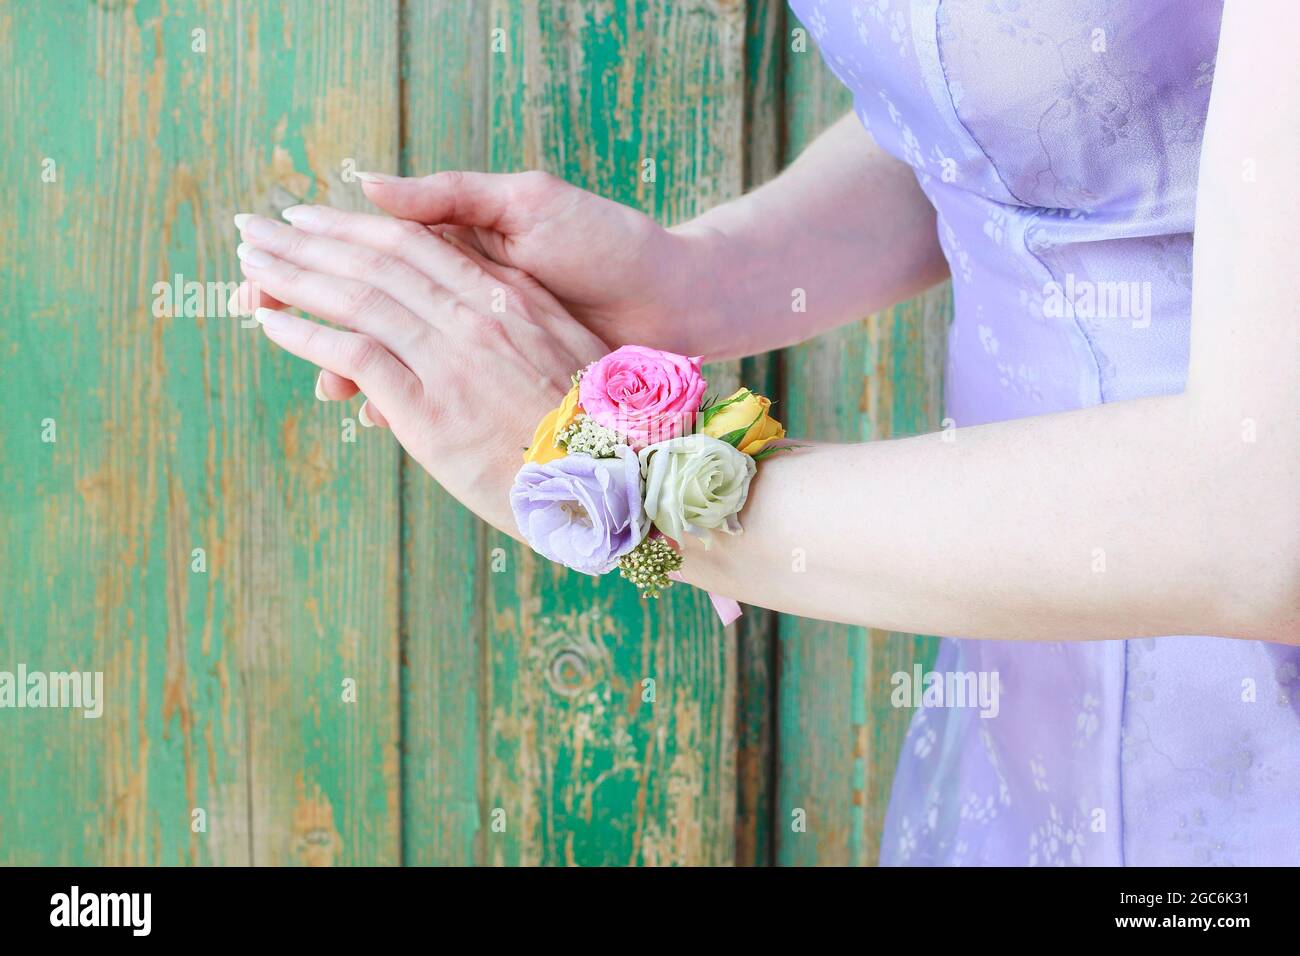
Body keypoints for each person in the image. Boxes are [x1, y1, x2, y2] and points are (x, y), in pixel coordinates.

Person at [229, 0, 1297, 864]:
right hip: (1020, 682)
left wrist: (641, 480)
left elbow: (1266, 522)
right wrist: (702, 282)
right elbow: (1043, 103)